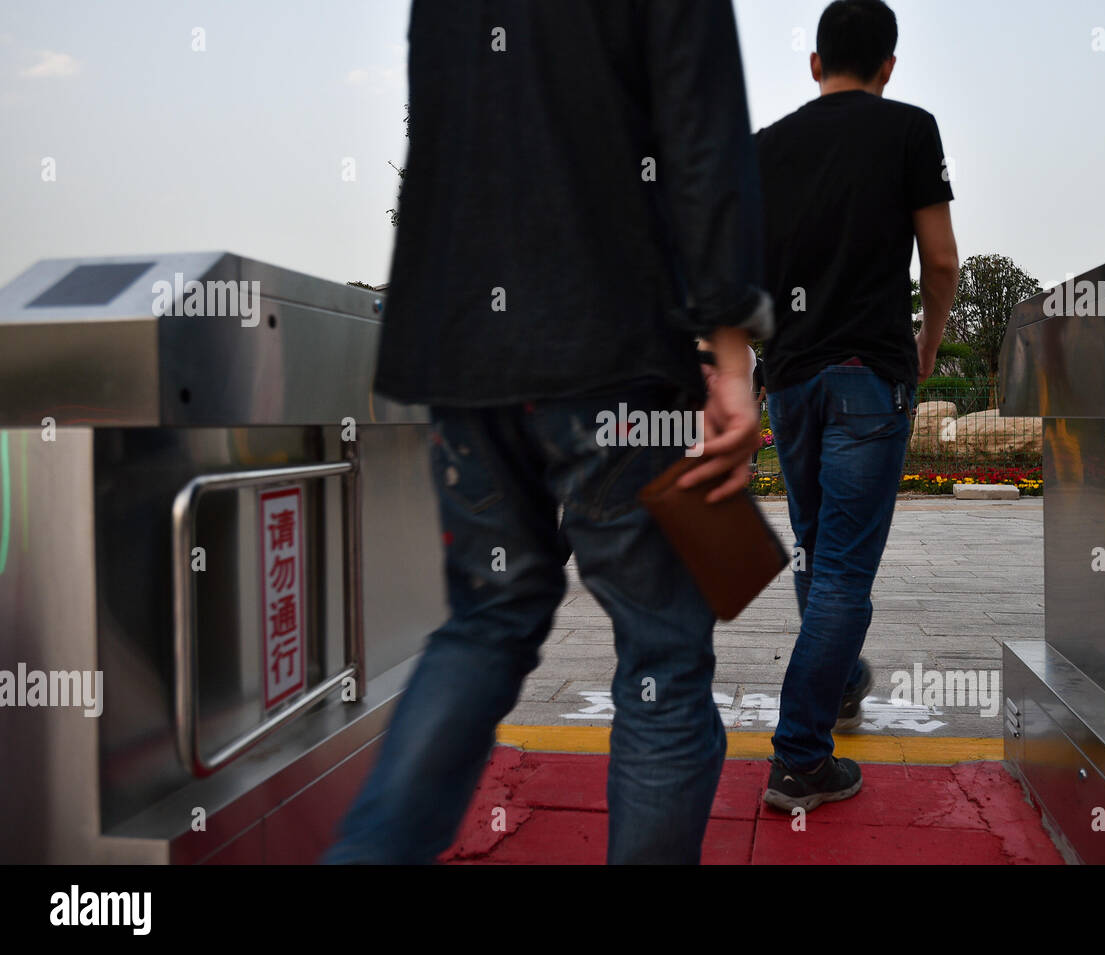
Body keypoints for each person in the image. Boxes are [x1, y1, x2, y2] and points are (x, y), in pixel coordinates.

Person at [322, 0, 771, 865]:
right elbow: (701, 125)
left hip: (460, 344)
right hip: (612, 334)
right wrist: (728, 348)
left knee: (487, 618)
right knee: (662, 652)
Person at [753, 0, 959, 812]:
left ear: (814, 63)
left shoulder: (763, 149)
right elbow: (939, 261)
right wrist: (929, 340)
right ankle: (800, 756)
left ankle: (839, 685)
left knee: (815, 551)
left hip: (793, 381)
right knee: (841, 569)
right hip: (870, 376)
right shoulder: (910, 127)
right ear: (889, 66)